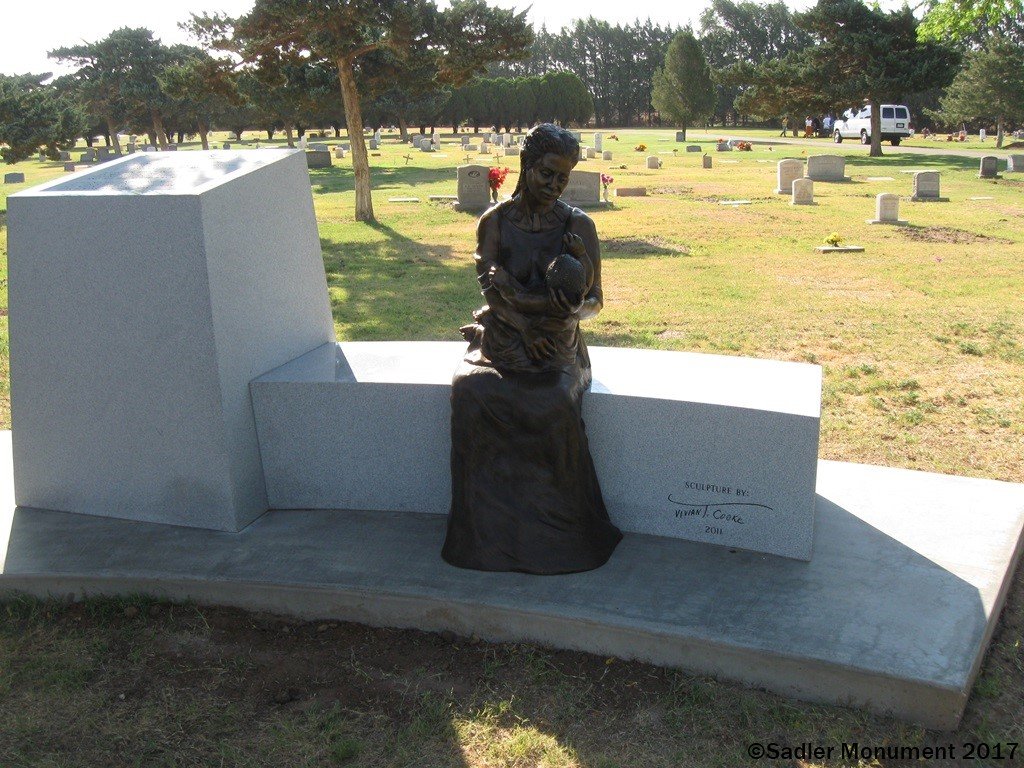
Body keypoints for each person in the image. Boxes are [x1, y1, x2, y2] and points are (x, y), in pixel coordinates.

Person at [442, 123, 622, 574]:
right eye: (547, 173)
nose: (555, 184)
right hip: (506, 339)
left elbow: (597, 302)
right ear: (526, 166)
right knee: (469, 391)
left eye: (563, 177)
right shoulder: (496, 222)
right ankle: (482, 537)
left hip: (559, 348)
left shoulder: (578, 225)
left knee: (553, 402)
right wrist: (524, 329)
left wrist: (574, 307)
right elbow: (492, 292)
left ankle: (562, 536)